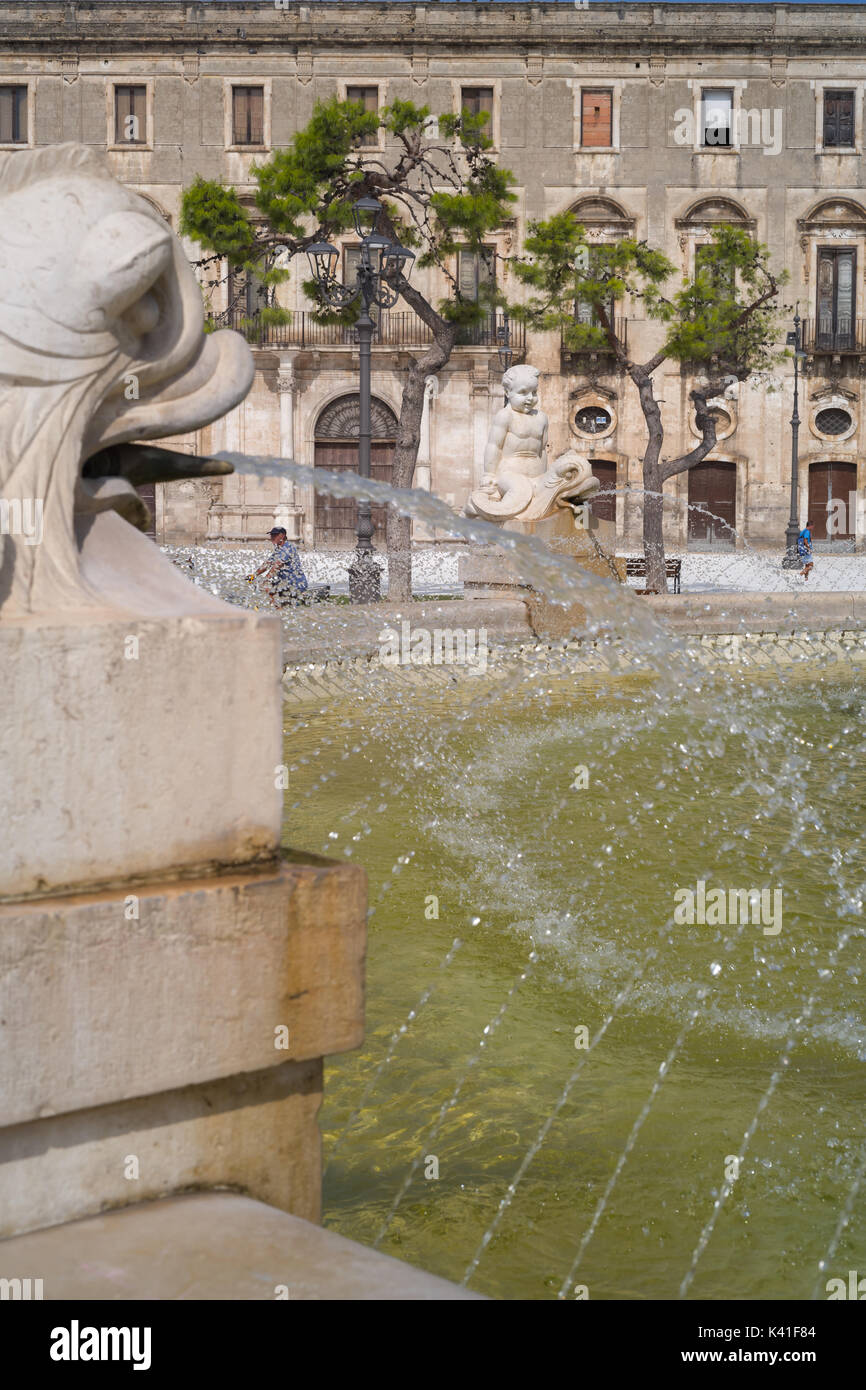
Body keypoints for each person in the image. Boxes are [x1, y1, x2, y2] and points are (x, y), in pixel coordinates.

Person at [250, 527, 309, 606]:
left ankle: (277, 610)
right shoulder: (278, 549)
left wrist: (265, 578)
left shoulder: (288, 548)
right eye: (271, 535)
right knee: (266, 587)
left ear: (282, 536)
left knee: (267, 586)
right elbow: (267, 564)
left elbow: (277, 565)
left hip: (296, 584)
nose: (272, 537)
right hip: (285, 583)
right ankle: (276, 608)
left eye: (275, 535)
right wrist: (254, 575)